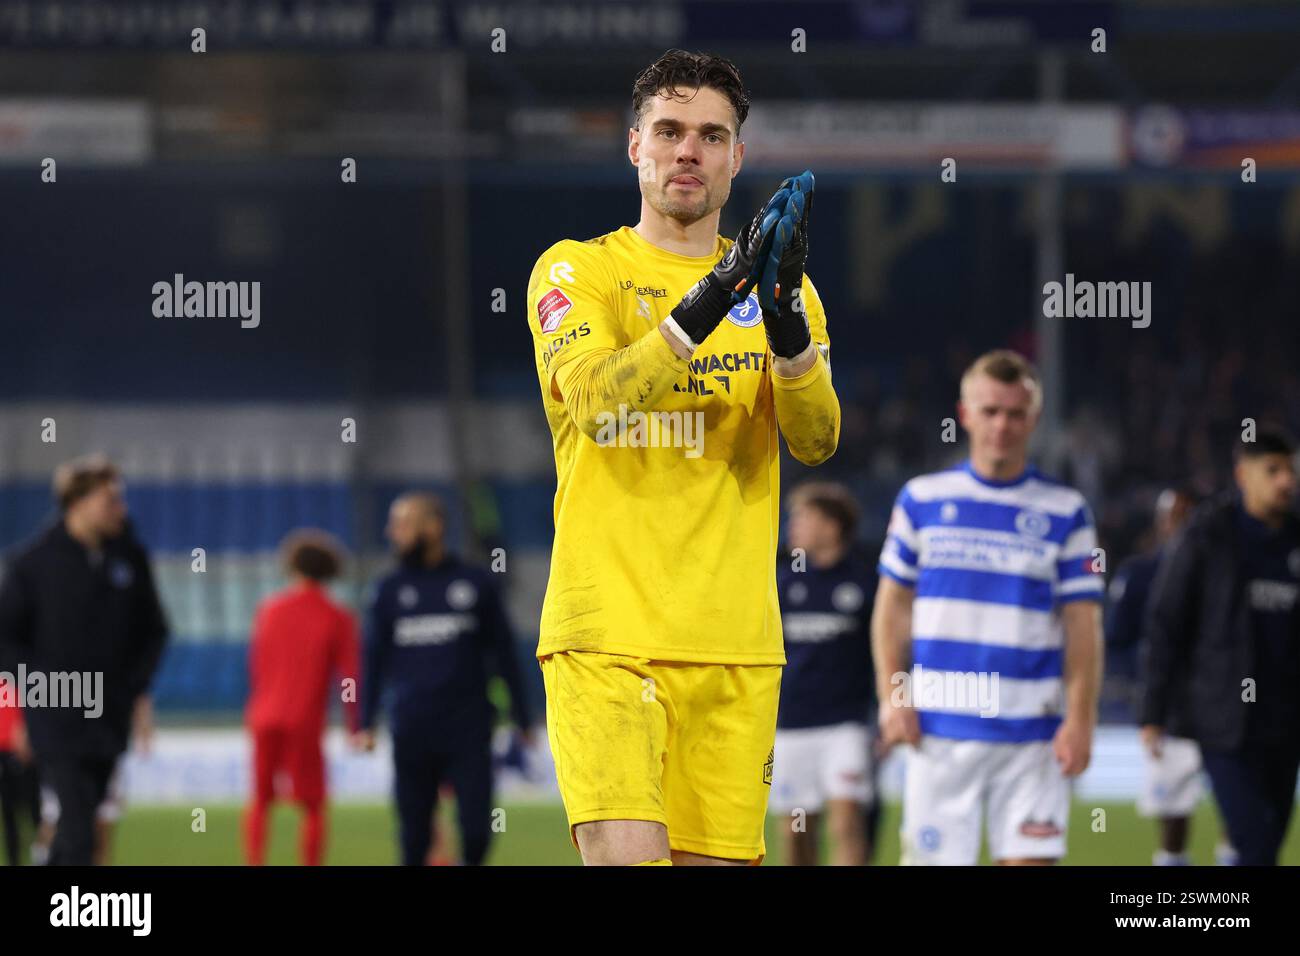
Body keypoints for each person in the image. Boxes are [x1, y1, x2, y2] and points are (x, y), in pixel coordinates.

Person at [525, 48, 840, 866]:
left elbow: (815, 439)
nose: (687, 151)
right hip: (607, 636)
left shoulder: (790, 293)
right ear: (635, 147)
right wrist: (713, 296)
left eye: (710, 134)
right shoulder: (577, 269)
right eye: (668, 131)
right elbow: (597, 403)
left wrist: (784, 324)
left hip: (735, 645)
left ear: (738, 157)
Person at [874, 350, 1104, 865]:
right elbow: (892, 608)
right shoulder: (921, 499)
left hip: (1033, 735)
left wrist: (1081, 719)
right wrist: (893, 696)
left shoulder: (1066, 512)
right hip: (939, 733)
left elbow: (1083, 625)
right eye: (991, 410)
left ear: (1035, 419)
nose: (1003, 425)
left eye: (1016, 413)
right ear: (965, 413)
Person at [1141, 427, 1300, 865]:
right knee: (1255, 844)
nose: (1287, 480)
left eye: (1291, 469)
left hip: (1285, 725)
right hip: (1226, 723)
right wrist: (1152, 713)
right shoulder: (1207, 536)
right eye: (1273, 470)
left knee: (1266, 843)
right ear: (1243, 475)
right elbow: (1166, 622)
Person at [0, 455, 168, 866]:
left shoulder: (129, 560)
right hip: (55, 714)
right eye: (110, 500)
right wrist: (24, 705)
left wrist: (137, 689)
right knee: (77, 827)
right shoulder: (33, 565)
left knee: (83, 825)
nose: (120, 510)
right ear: (78, 502)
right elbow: (7, 640)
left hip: (110, 717)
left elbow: (154, 630)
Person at [356, 493, 532, 866]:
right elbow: (373, 660)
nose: (392, 533)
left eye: (402, 524)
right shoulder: (387, 590)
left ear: (434, 527)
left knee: (475, 830)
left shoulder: (476, 584)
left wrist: (522, 717)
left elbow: (503, 653)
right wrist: (365, 721)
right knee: (414, 835)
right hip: (412, 728)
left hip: (468, 728)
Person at [1107, 488, 1234, 865]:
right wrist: (1147, 695)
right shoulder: (1142, 573)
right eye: (1172, 516)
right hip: (1173, 712)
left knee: (1239, 810)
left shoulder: (1227, 576)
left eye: (1187, 516)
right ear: (1161, 523)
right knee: (1173, 812)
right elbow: (1117, 637)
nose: (1178, 525)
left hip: (1227, 710)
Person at [770, 482, 878, 866]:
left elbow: (885, 653)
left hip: (845, 726)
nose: (793, 527)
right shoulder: (781, 582)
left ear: (832, 527)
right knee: (795, 831)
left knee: (846, 823)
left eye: (803, 518)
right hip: (790, 725)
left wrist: (885, 715)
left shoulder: (865, 584)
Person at [244, 530, 360, 866]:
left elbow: (256, 666)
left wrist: (257, 706)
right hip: (304, 719)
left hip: (264, 715)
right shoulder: (337, 616)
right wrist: (354, 723)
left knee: (261, 800)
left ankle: (254, 862)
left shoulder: (270, 609)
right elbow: (349, 679)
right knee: (312, 804)